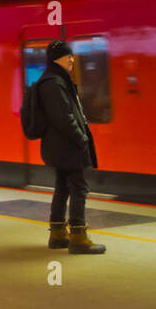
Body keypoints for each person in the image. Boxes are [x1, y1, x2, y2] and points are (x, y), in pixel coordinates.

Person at [37, 40, 105, 254]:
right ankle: (78, 236)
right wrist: (80, 137)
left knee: (63, 186)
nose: (72, 60)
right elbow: (63, 117)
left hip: (61, 145)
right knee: (79, 187)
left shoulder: (54, 80)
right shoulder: (54, 83)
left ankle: (57, 234)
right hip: (67, 146)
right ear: (58, 58)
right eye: (68, 57)